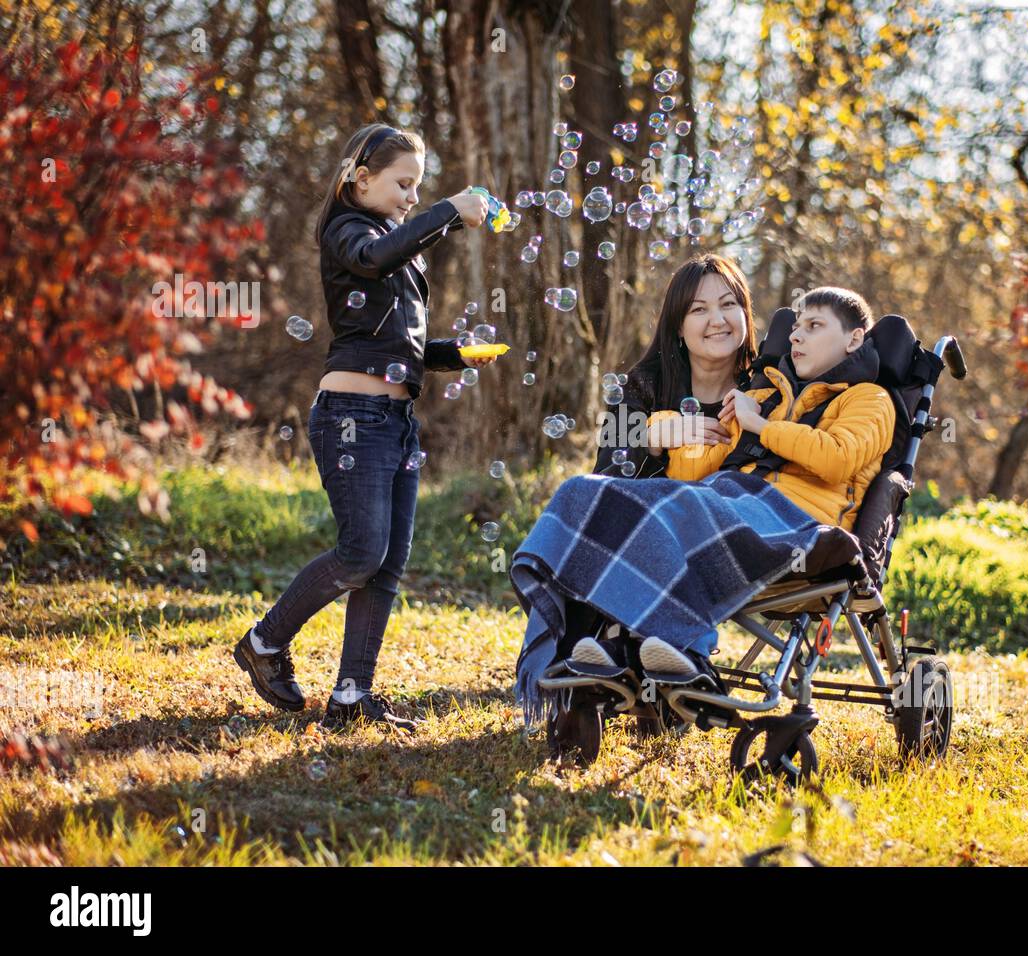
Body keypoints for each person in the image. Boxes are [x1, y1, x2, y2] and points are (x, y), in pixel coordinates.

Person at [512, 286, 896, 718]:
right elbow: (692, 475)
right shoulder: (767, 397)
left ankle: (686, 649)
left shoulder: (870, 400)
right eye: (796, 328)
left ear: (854, 339)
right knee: (587, 493)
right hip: (732, 502)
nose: (797, 337)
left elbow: (837, 459)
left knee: (690, 506)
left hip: (800, 526)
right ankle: (607, 645)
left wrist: (760, 427)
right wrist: (674, 427)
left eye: (814, 326)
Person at [233, 123, 498, 731]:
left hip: (397, 421)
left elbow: (388, 339)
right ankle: (265, 642)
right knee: (361, 551)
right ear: (360, 178)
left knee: (387, 562)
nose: (411, 196)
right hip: (352, 419)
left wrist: (452, 354)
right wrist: (448, 212)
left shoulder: (391, 244)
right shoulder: (348, 232)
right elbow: (377, 258)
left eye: (419, 187)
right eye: (403, 184)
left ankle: (353, 694)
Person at [593, 254, 755, 478]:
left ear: (745, 314)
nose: (718, 320)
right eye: (699, 309)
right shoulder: (640, 387)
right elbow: (602, 480)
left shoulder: (766, 387)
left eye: (728, 304)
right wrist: (653, 440)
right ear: (678, 326)